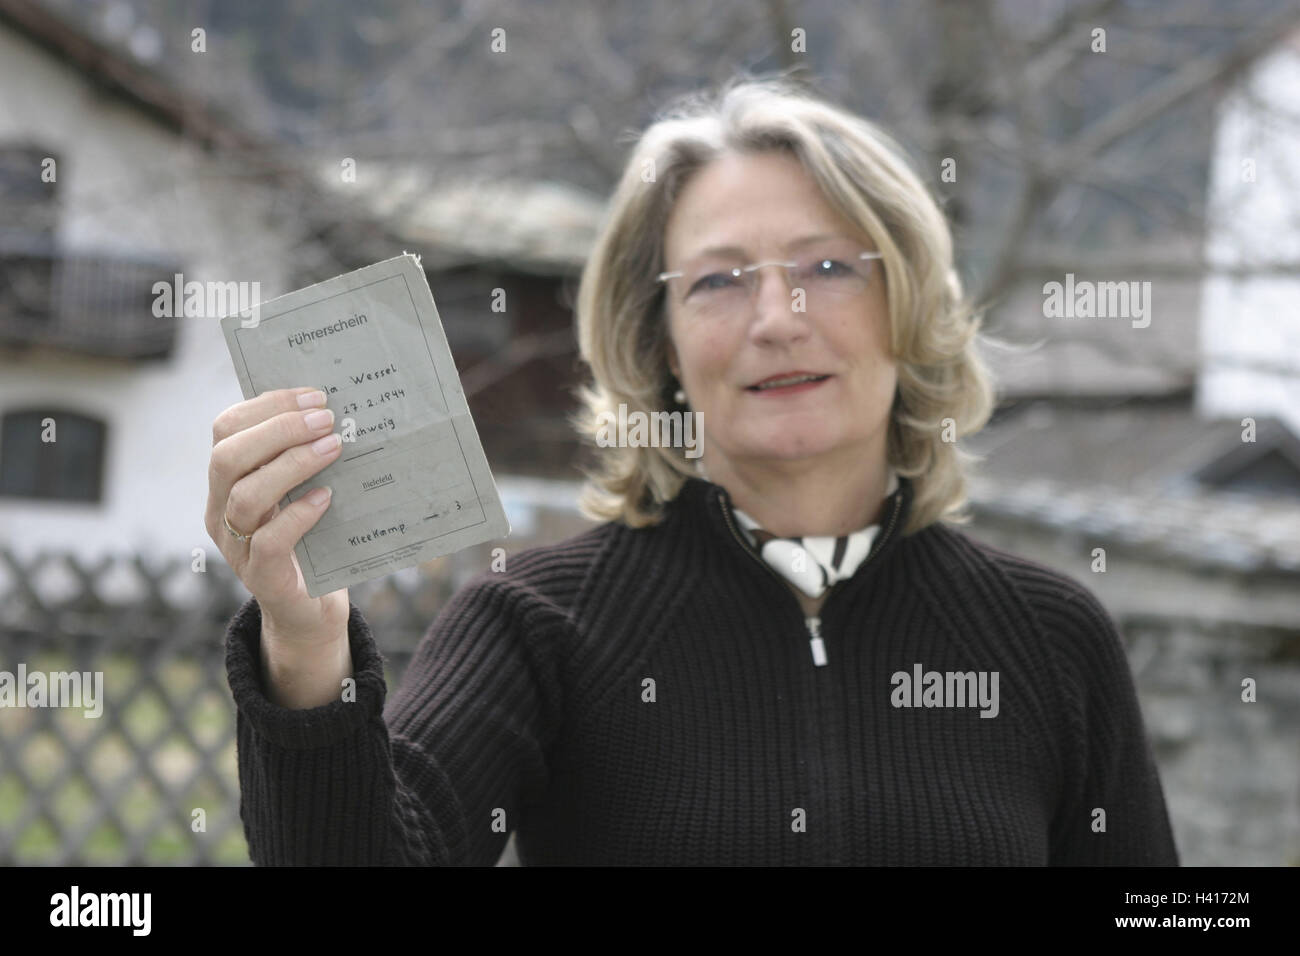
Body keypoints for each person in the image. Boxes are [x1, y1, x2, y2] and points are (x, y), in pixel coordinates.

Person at [206, 75, 1179, 866]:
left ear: (910, 304)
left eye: (829, 266)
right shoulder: (536, 622)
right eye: (717, 279)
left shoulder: (1051, 640)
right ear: (658, 337)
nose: (776, 317)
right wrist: (304, 642)